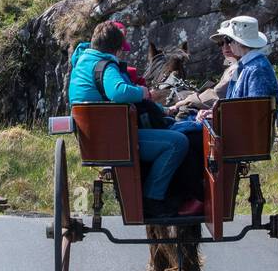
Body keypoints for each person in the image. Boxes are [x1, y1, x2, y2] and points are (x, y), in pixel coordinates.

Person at [68, 22, 203, 218]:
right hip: (116, 140)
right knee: (178, 142)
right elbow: (119, 92)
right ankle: (152, 198)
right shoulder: (105, 65)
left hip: (92, 139)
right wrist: (143, 92)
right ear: (118, 50)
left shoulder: (82, 63)